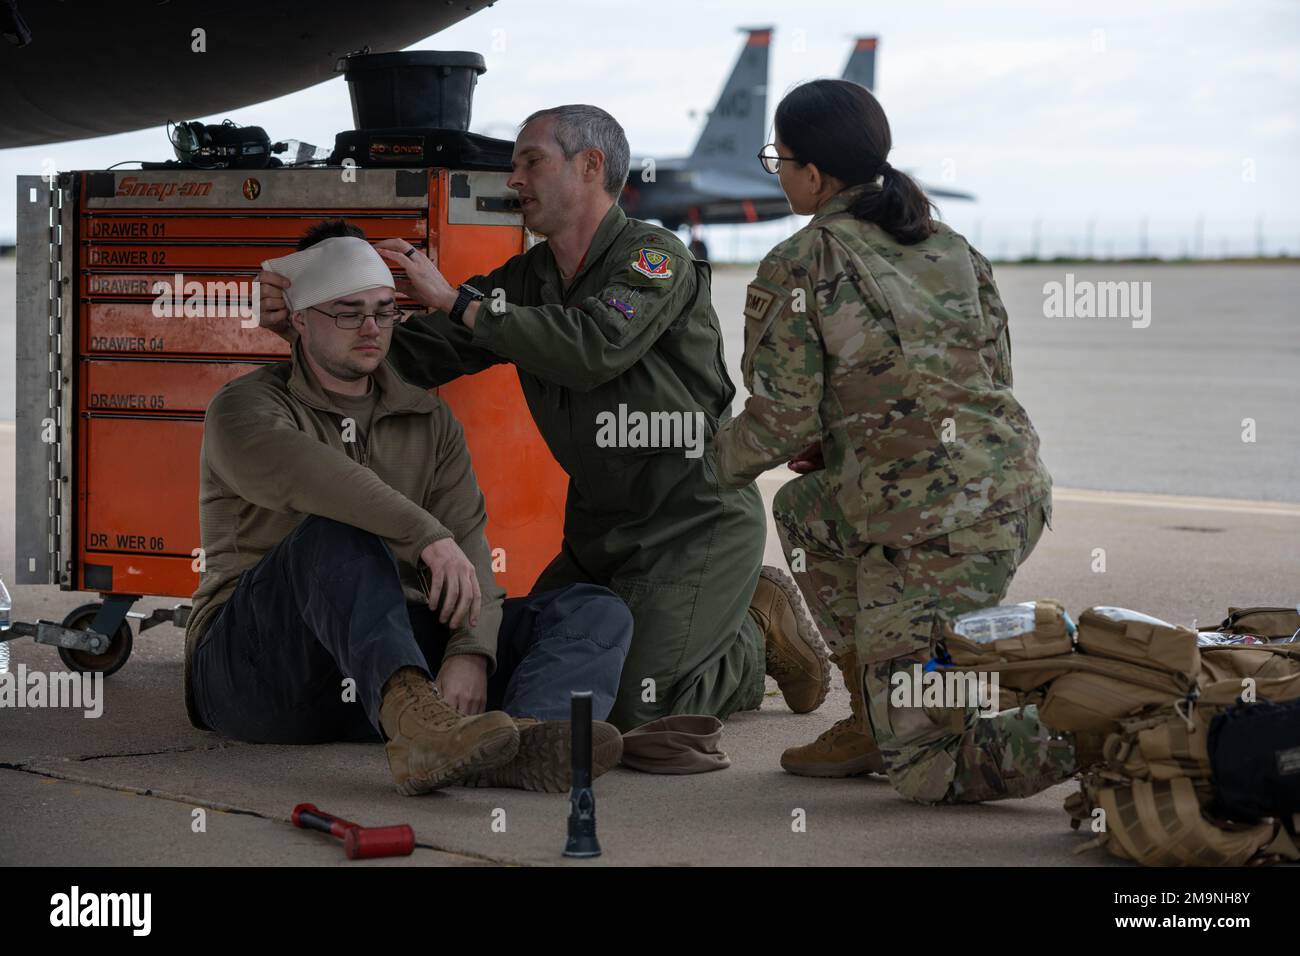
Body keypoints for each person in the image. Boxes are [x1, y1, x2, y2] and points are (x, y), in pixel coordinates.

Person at [257, 105, 831, 734]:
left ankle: (752, 632)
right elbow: (428, 351)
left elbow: (593, 346)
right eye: (514, 166)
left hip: (691, 521)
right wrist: (317, 326)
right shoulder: (527, 279)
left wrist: (457, 300)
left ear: (590, 166)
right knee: (532, 665)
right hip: (599, 528)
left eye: (532, 161)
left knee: (634, 704)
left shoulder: (653, 258)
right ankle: (721, 625)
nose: (514, 181)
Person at [711, 79, 1077, 803]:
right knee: (807, 510)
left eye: (777, 159)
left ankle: (1120, 721)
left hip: (938, 532)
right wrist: (848, 443)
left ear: (812, 173)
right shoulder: (950, 245)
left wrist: (694, 467)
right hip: (1006, 492)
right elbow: (985, 376)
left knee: (928, 769)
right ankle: (876, 715)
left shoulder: (802, 261)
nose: (777, 173)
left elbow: (779, 421)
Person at [186, 227, 633, 795]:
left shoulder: (430, 420)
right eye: (348, 313)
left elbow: (470, 545)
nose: (372, 328)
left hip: (382, 668)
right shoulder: (246, 408)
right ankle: (420, 733)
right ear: (298, 319)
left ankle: (522, 740)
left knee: (591, 609)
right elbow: (316, 478)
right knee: (336, 532)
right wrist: (426, 535)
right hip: (261, 668)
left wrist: (472, 653)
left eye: (383, 311)